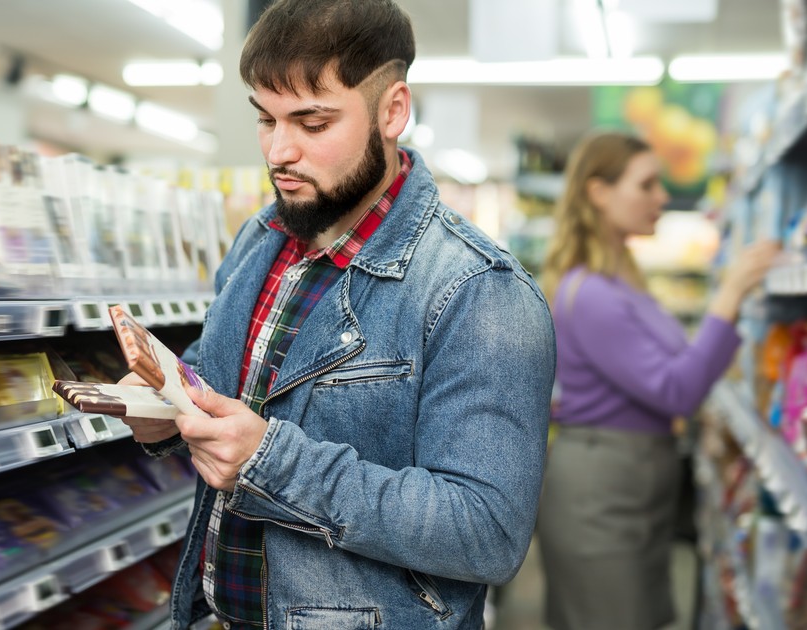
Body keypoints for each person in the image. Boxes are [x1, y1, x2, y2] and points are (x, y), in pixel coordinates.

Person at [117, 1, 555, 627]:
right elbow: (217, 375)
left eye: (312, 123)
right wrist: (167, 400)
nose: (279, 152)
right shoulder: (260, 238)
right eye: (266, 119)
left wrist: (269, 462)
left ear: (392, 111)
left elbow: (485, 531)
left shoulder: (478, 292)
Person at [535, 131, 779, 630]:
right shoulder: (592, 294)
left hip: (632, 488)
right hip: (600, 499)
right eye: (646, 184)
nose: (662, 197)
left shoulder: (622, 280)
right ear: (599, 193)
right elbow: (677, 390)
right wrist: (730, 292)